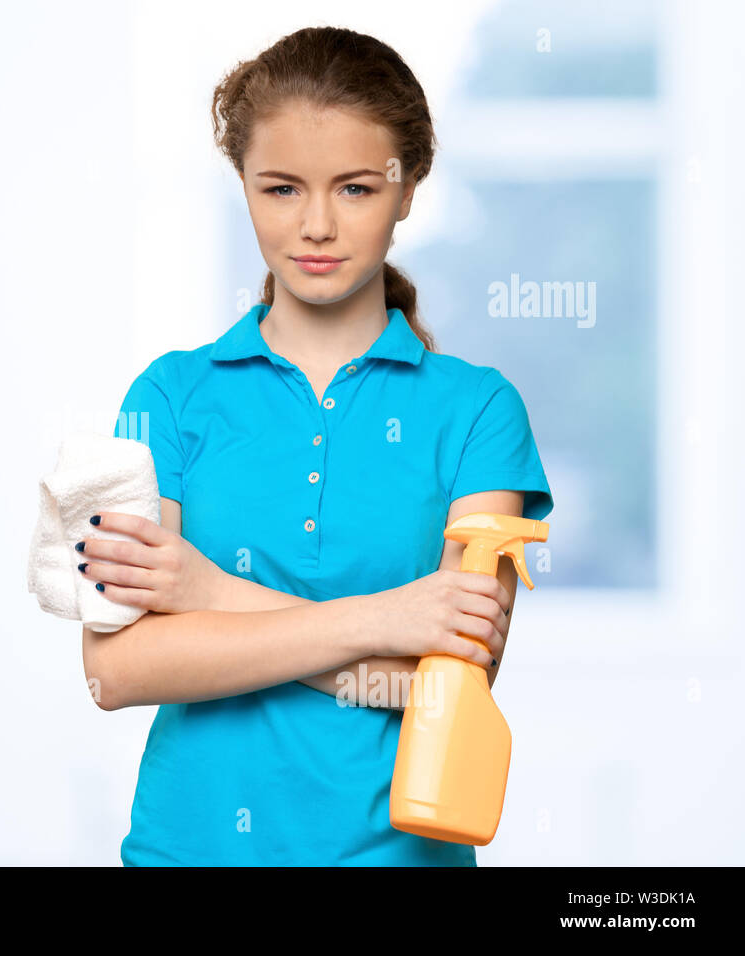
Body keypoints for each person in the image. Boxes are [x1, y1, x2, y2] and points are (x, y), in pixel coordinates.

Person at [77, 25, 554, 866]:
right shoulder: (168, 398)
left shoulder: (478, 411)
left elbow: (446, 680)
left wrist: (206, 592)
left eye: (358, 189)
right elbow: (119, 670)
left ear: (409, 191)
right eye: (283, 188)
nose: (319, 226)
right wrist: (385, 618)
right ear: (246, 188)